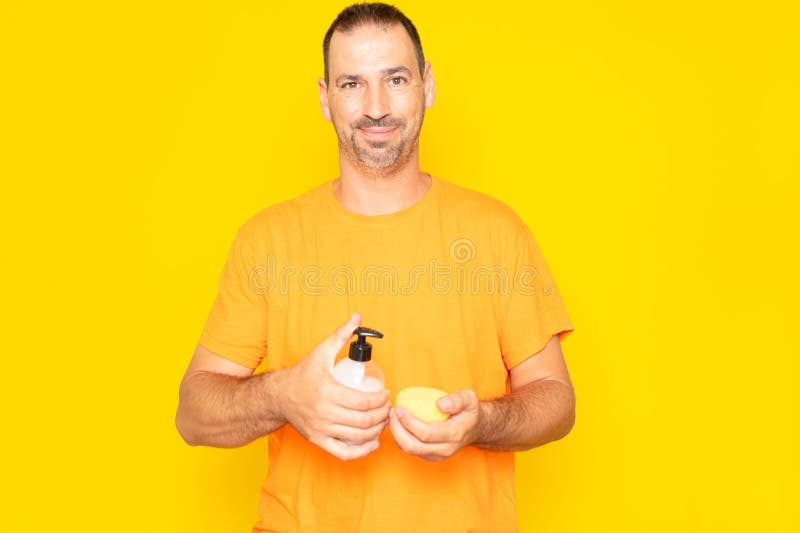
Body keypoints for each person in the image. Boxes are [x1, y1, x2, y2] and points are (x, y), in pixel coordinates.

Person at [175, 3, 576, 531]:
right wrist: (283, 395)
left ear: (427, 85)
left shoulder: (497, 232)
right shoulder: (267, 240)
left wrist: (483, 422)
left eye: (396, 79)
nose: (376, 107)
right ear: (326, 99)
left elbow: (557, 401)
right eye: (352, 84)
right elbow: (193, 414)